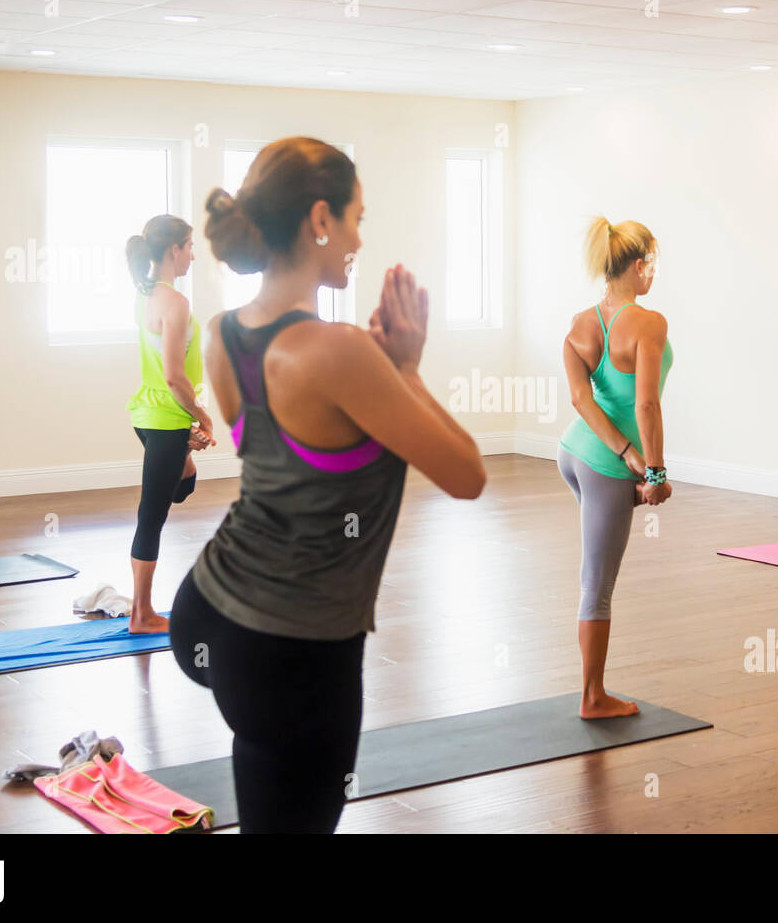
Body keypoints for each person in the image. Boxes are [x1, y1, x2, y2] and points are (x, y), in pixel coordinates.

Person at [169, 137, 486, 833]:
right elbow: (468, 476)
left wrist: (386, 366)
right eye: (356, 220)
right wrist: (405, 366)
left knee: (268, 794)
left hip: (210, 609)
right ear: (320, 219)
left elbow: (274, 465)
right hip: (295, 650)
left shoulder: (223, 334)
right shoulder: (340, 351)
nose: (357, 240)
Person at [558, 217, 673, 720]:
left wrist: (628, 456)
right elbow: (646, 405)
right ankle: (592, 698)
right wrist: (653, 472)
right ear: (638, 264)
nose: (654, 274)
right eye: (653, 263)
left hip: (574, 454)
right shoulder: (648, 323)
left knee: (594, 575)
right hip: (606, 466)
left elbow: (581, 399)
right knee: (597, 585)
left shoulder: (582, 323)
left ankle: (593, 691)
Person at [124, 215, 214, 634]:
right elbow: (175, 375)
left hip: (153, 415)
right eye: (190, 246)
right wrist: (202, 414)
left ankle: (184, 455)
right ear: (173, 249)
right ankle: (141, 615)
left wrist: (186, 426)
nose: (194, 255)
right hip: (165, 417)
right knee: (152, 515)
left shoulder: (146, 294)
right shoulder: (175, 303)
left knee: (182, 486)